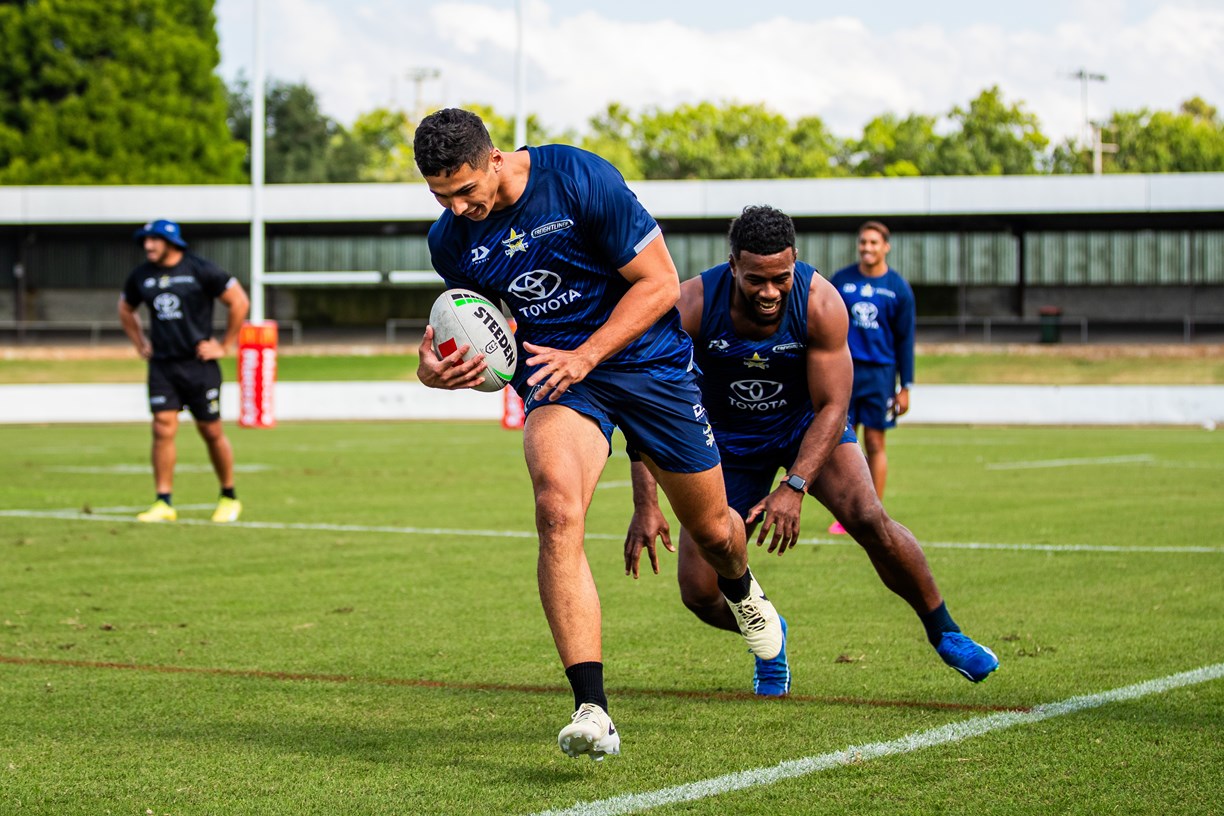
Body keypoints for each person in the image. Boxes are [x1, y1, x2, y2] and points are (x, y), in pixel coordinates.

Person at [412, 108, 783, 761]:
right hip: (561, 379)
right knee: (556, 512)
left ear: (494, 158)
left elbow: (660, 283)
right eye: (442, 197)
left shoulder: (578, 178)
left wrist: (587, 354)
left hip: (649, 364)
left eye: (466, 190)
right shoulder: (450, 241)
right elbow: (486, 328)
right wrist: (440, 370)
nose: (458, 208)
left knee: (714, 533)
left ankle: (744, 591)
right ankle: (592, 709)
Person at [625, 205, 998, 695]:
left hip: (806, 426)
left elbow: (833, 406)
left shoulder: (821, 302)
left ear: (795, 261)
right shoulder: (691, 305)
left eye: (781, 278)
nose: (769, 292)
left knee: (867, 514)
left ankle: (944, 631)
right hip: (727, 442)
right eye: (756, 279)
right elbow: (648, 403)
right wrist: (646, 503)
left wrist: (794, 485)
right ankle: (768, 629)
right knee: (698, 592)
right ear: (733, 264)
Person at [118, 219, 249, 524]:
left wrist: (224, 345)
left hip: (199, 365)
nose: (148, 246)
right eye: (145, 240)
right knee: (162, 428)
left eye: (154, 240)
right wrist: (139, 343)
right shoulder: (141, 276)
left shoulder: (201, 269)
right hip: (163, 366)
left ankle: (228, 496)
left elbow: (239, 302)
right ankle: (163, 501)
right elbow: (125, 308)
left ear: (170, 242)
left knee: (211, 431)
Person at [827, 221, 915, 533]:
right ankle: (846, 513)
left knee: (875, 442)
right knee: (842, 444)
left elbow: (905, 339)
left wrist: (905, 386)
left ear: (885, 247)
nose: (867, 248)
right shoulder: (842, 280)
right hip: (845, 371)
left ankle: (872, 513)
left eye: (874, 243)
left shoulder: (898, 288)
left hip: (880, 374)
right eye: (863, 242)